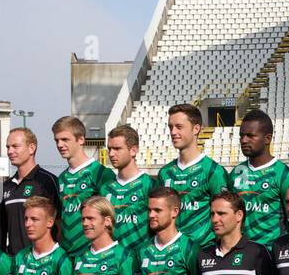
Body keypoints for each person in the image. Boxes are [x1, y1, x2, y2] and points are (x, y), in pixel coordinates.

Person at [158, 103, 230, 250]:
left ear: (196, 129)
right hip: (171, 252)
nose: (173, 132)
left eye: (179, 126)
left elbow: (224, 215)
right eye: (170, 127)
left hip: (204, 250)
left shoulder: (213, 171)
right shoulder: (165, 173)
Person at [231, 109, 289, 245]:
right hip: (239, 254)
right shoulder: (236, 172)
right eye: (242, 135)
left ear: (267, 138)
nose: (244, 140)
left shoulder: (284, 175)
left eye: (250, 136)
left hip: (271, 253)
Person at [138, 186, 200, 275]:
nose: (151, 215)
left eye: (158, 210)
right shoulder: (142, 250)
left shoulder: (189, 248)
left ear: (175, 212)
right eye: (149, 210)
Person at [70, 197, 138, 275]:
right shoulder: (79, 257)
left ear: (107, 221)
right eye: (83, 219)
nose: (85, 223)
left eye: (90, 218)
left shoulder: (124, 257)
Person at [53, 115, 112, 258]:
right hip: (66, 254)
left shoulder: (100, 173)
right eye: (57, 140)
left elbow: (110, 215)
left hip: (91, 253)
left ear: (81, 140)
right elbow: (61, 219)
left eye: (65, 139)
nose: (60, 145)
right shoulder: (61, 178)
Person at [12, 195, 75, 275]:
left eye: (34, 219)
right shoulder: (20, 257)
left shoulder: (62, 260)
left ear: (50, 222)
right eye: (26, 219)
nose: (28, 224)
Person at [1, 127, 60, 256]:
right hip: (14, 261)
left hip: (42, 262)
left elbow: (59, 222)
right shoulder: (6, 186)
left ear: (32, 148)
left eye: (15, 146)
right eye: (8, 147)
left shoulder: (47, 181)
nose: (10, 151)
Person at [99, 124, 154, 255]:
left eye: (117, 148)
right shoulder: (105, 189)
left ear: (133, 150)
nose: (111, 154)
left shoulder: (149, 184)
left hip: (141, 259)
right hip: (113, 260)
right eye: (109, 148)